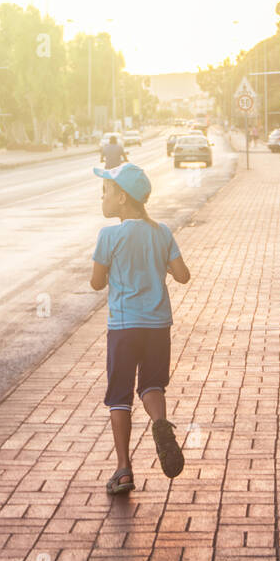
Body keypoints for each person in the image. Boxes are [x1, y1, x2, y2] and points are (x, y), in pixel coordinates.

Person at [90, 161, 191, 494]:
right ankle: (161, 425)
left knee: (119, 396)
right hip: (157, 326)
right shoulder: (161, 232)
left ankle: (123, 470)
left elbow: (95, 282)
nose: (101, 196)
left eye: (106, 191)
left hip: (123, 327)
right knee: (151, 386)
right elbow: (182, 274)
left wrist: (108, 272)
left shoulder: (109, 235)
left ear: (122, 198)